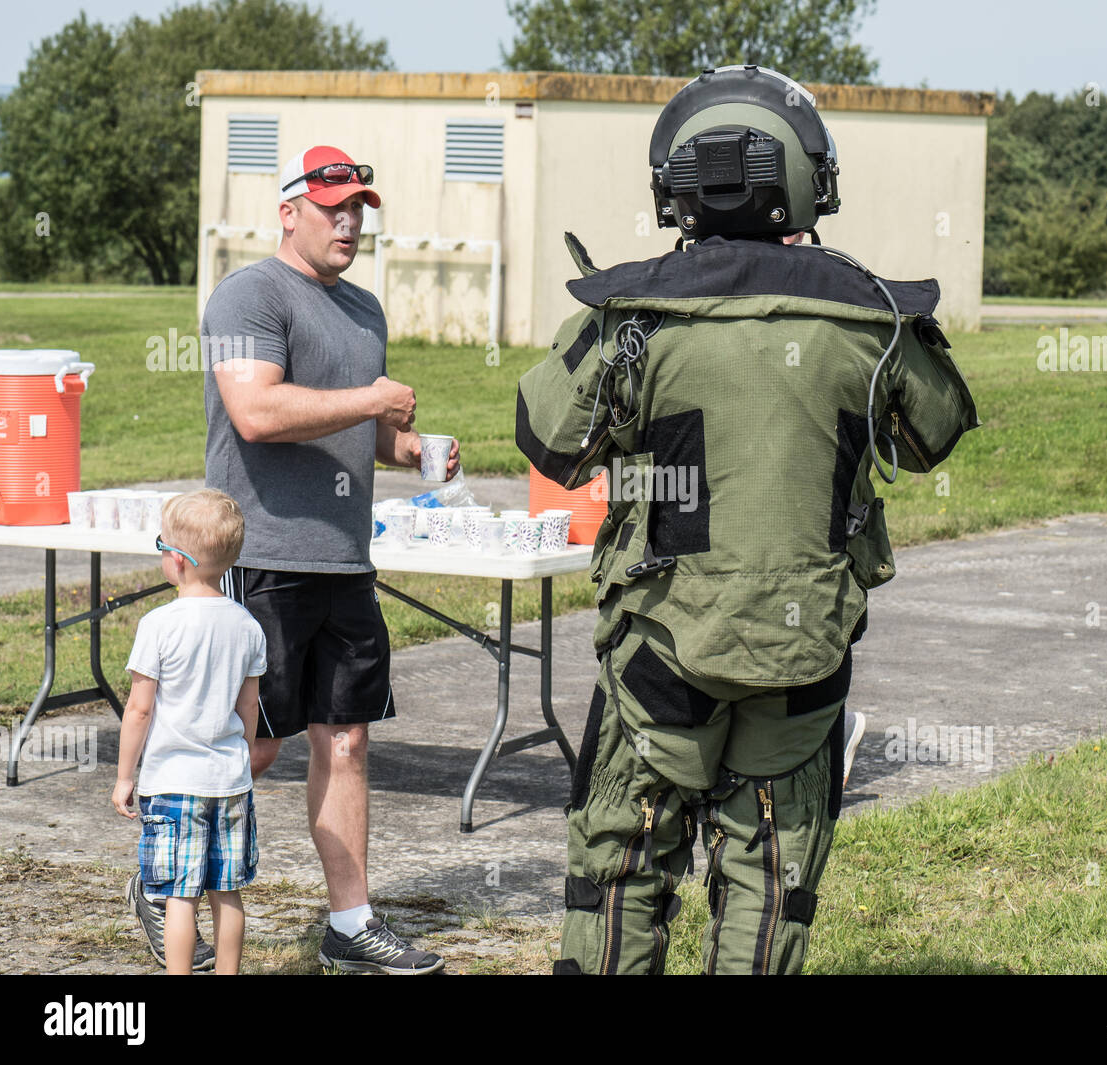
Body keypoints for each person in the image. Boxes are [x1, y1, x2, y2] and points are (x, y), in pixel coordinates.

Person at [517, 65, 979, 974]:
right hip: (800, 655)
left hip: (658, 648)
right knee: (770, 879)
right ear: (806, 179)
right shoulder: (868, 316)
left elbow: (546, 437)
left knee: (620, 869)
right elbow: (935, 433)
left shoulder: (634, 314)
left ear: (677, 187)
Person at [126, 145, 457, 974]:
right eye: (332, 207)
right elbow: (257, 411)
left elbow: (358, 427)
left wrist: (408, 446)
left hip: (345, 560)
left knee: (345, 741)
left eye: (358, 210)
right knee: (250, 743)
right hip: (264, 555)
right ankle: (161, 884)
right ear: (289, 212)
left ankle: (351, 924)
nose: (348, 223)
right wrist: (376, 399)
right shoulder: (249, 294)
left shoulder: (365, 310)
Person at [112, 490, 266, 975]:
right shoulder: (247, 626)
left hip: (173, 782)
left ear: (176, 560)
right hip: (228, 781)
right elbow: (249, 711)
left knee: (180, 896)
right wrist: (239, 757)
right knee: (227, 890)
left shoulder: (158, 625)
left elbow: (139, 710)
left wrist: (123, 776)